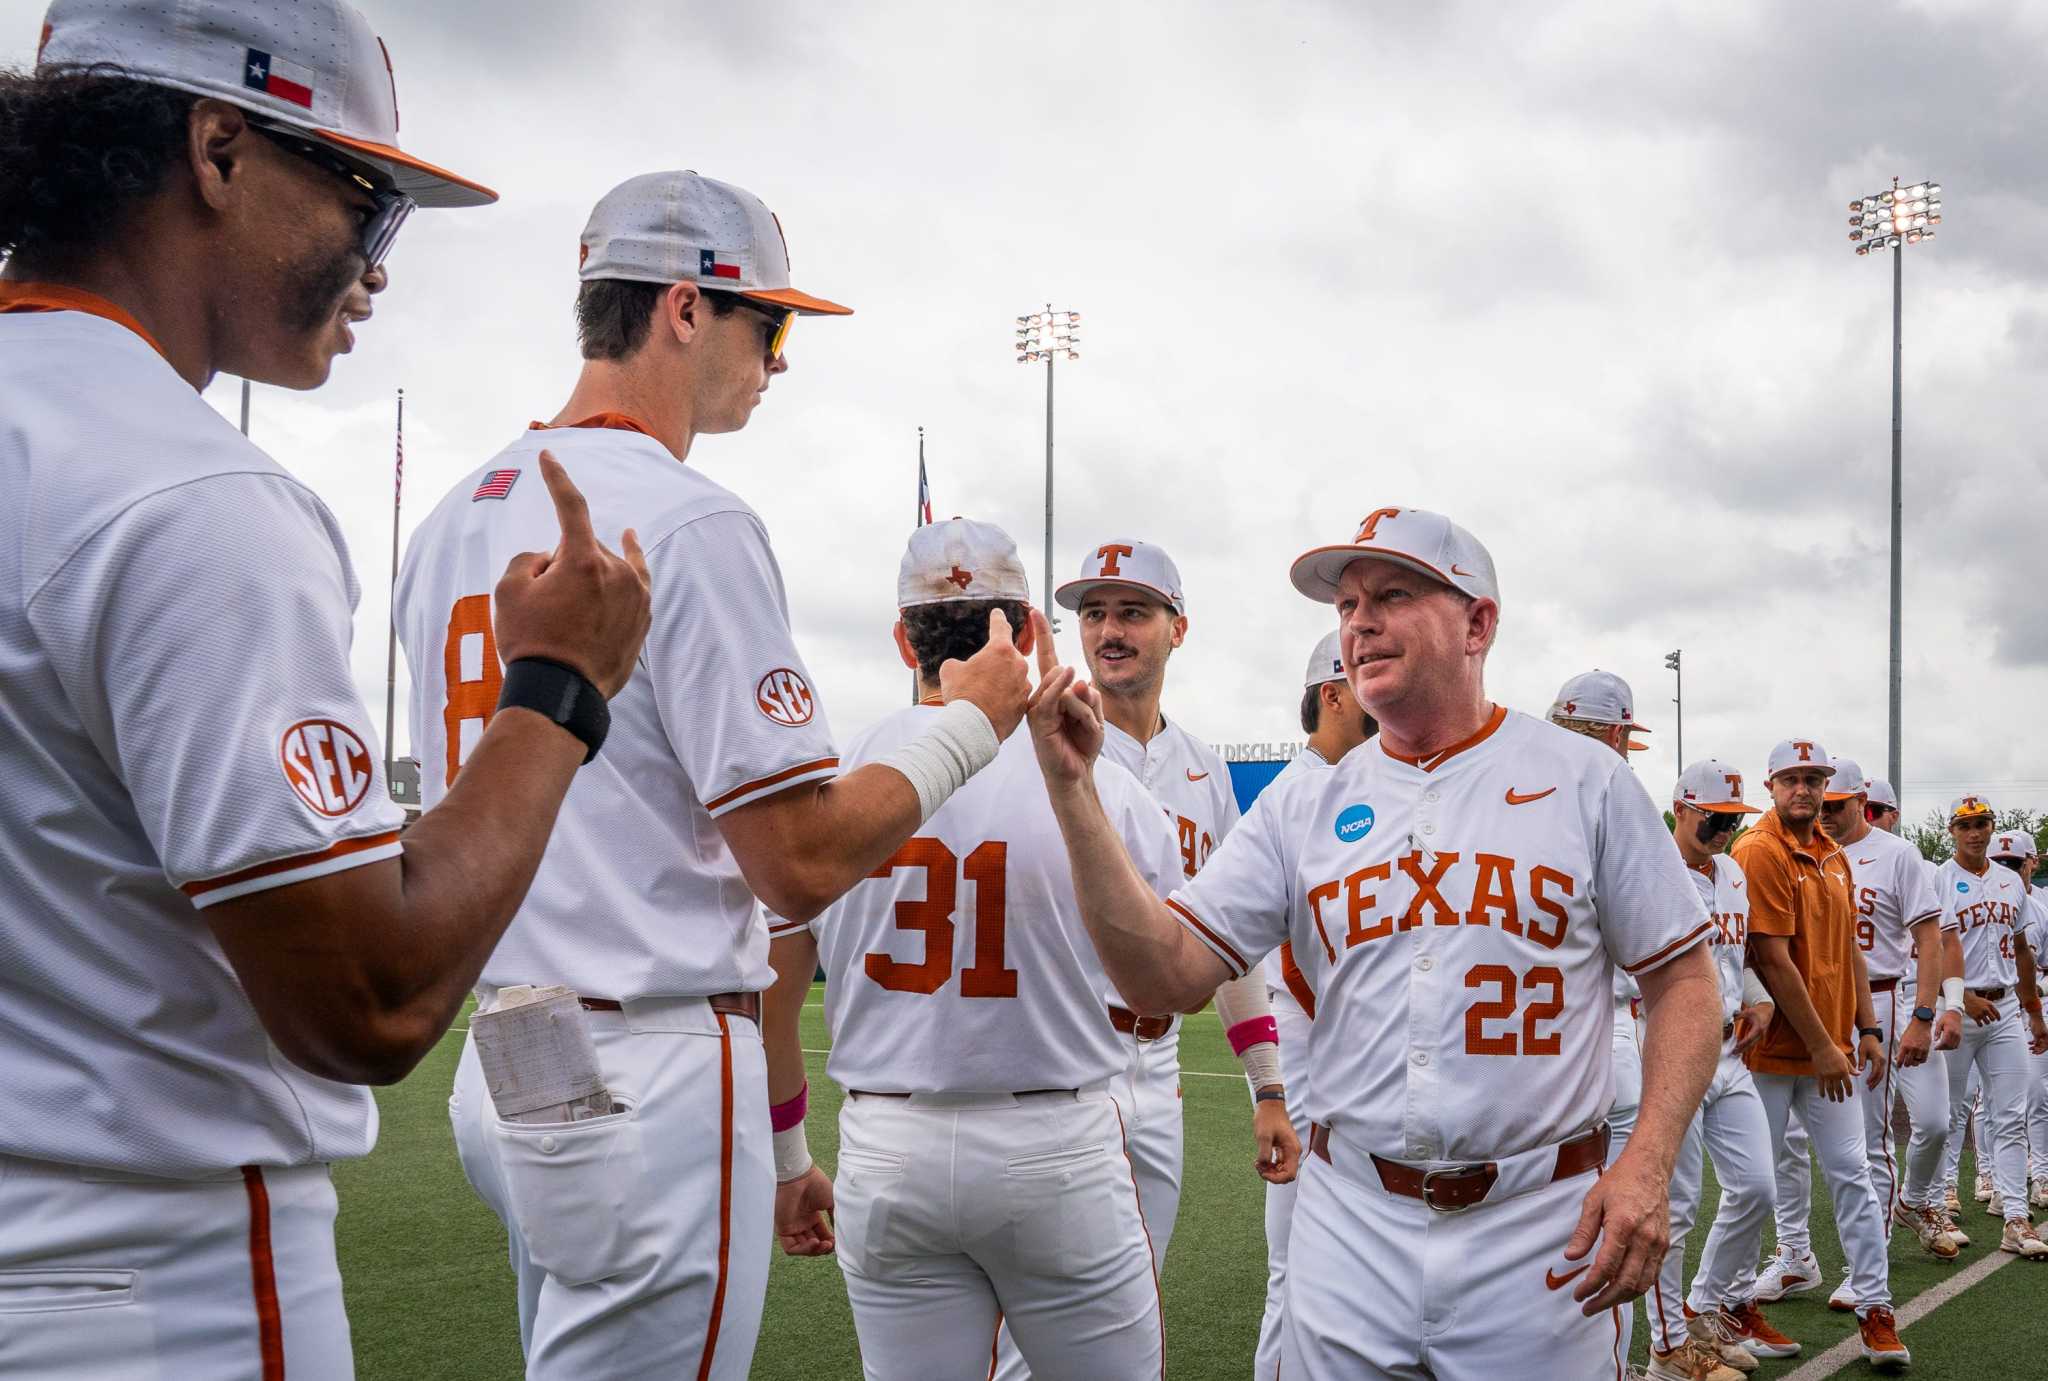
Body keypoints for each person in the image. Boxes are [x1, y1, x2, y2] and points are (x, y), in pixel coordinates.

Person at [0, 4, 651, 1377]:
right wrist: (555, 690)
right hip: (140, 1283)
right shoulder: (188, 491)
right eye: (367, 200)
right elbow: (369, 999)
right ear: (218, 149)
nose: (377, 266)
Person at [396, 175, 1032, 1377]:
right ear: (683, 309)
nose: (778, 361)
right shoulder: (691, 517)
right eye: (769, 325)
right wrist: (963, 724)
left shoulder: (452, 513)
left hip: (513, 1047)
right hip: (651, 1055)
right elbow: (796, 860)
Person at [1023, 506, 1722, 1379]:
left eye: (1392, 594)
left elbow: (1687, 982)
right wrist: (1075, 790)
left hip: (1540, 1226)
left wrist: (1648, 1160)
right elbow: (1163, 974)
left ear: (1478, 623)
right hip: (1351, 1218)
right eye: (1347, 605)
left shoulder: (1586, 779)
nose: (1359, 621)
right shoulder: (1302, 801)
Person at [761, 519, 1198, 1379]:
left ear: (900, 637)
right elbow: (1164, 977)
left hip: (889, 1141)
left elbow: (772, 997)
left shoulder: (834, 776)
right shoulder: (1104, 776)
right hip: (1056, 1134)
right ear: (1030, 630)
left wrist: (787, 1156)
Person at [985, 538, 1293, 1379]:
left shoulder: (1204, 769)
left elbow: (1234, 942)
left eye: (1132, 610)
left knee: (1125, 1304)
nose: (1109, 629)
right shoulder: (1036, 741)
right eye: (1092, 612)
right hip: (1059, 1056)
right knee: (1027, 1332)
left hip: (1155, 1067)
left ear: (1176, 628)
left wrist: (1266, 1082)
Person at [1701, 741, 1907, 1369]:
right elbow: (1771, 957)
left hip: (1830, 1049)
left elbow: (1846, 948)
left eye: (1814, 780)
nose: (1805, 791)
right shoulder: (1759, 850)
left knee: (1853, 1173)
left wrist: (1866, 1028)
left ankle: (1875, 1307)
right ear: (1771, 785)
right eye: (1793, 780)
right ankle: (1724, 1302)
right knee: (1751, 1189)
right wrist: (1823, 1044)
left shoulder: (1832, 853)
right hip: (1768, 1052)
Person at [1759, 758, 1960, 1316]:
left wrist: (1927, 1011)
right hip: (1813, 1002)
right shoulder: (1802, 851)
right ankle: (1795, 1253)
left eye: (1841, 804)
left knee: (1894, 1136)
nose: (1828, 813)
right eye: (1824, 804)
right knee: (1795, 1145)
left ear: (1861, 802)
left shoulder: (1896, 854)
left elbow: (1931, 937)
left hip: (1881, 995)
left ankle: (1880, 1251)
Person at [1253, 629, 1377, 1379]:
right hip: (1307, 1042)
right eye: (1364, 682)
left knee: (1351, 1261)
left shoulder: (1361, 785)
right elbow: (1294, 952)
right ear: (1332, 694)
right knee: (1296, 1260)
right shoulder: (1299, 795)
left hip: (1336, 1043)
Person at [1544, 670, 1676, 1371]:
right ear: (1617, 733)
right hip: (1607, 1026)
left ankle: (1668, 1340)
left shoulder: (1521, 792)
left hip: (1581, 1027)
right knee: (1629, 1206)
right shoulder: (1607, 794)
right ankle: (1665, 1345)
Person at [1636, 760, 1776, 1381]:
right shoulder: (1648, 869)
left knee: (1755, 1187)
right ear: (1682, 809)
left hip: (1729, 1048)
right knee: (1679, 1202)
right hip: (1668, 1047)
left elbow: (1733, 953)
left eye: (1733, 819)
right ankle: (1667, 1350)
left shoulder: (1733, 872)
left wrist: (1760, 996)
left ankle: (1701, 1309)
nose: (1724, 829)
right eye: (1715, 818)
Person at [1910, 799, 2048, 1257]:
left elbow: (2023, 949)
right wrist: (1960, 997)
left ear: (1992, 827)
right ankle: (1937, 1202)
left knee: (2010, 1115)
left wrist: (2033, 1011)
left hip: (2005, 1006)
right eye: (1965, 825)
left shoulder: (2011, 881)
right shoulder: (1938, 878)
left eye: (1982, 823)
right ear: (1951, 830)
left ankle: (2015, 1218)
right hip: (1958, 1008)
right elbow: (1929, 946)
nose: (1974, 832)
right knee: (1946, 1113)